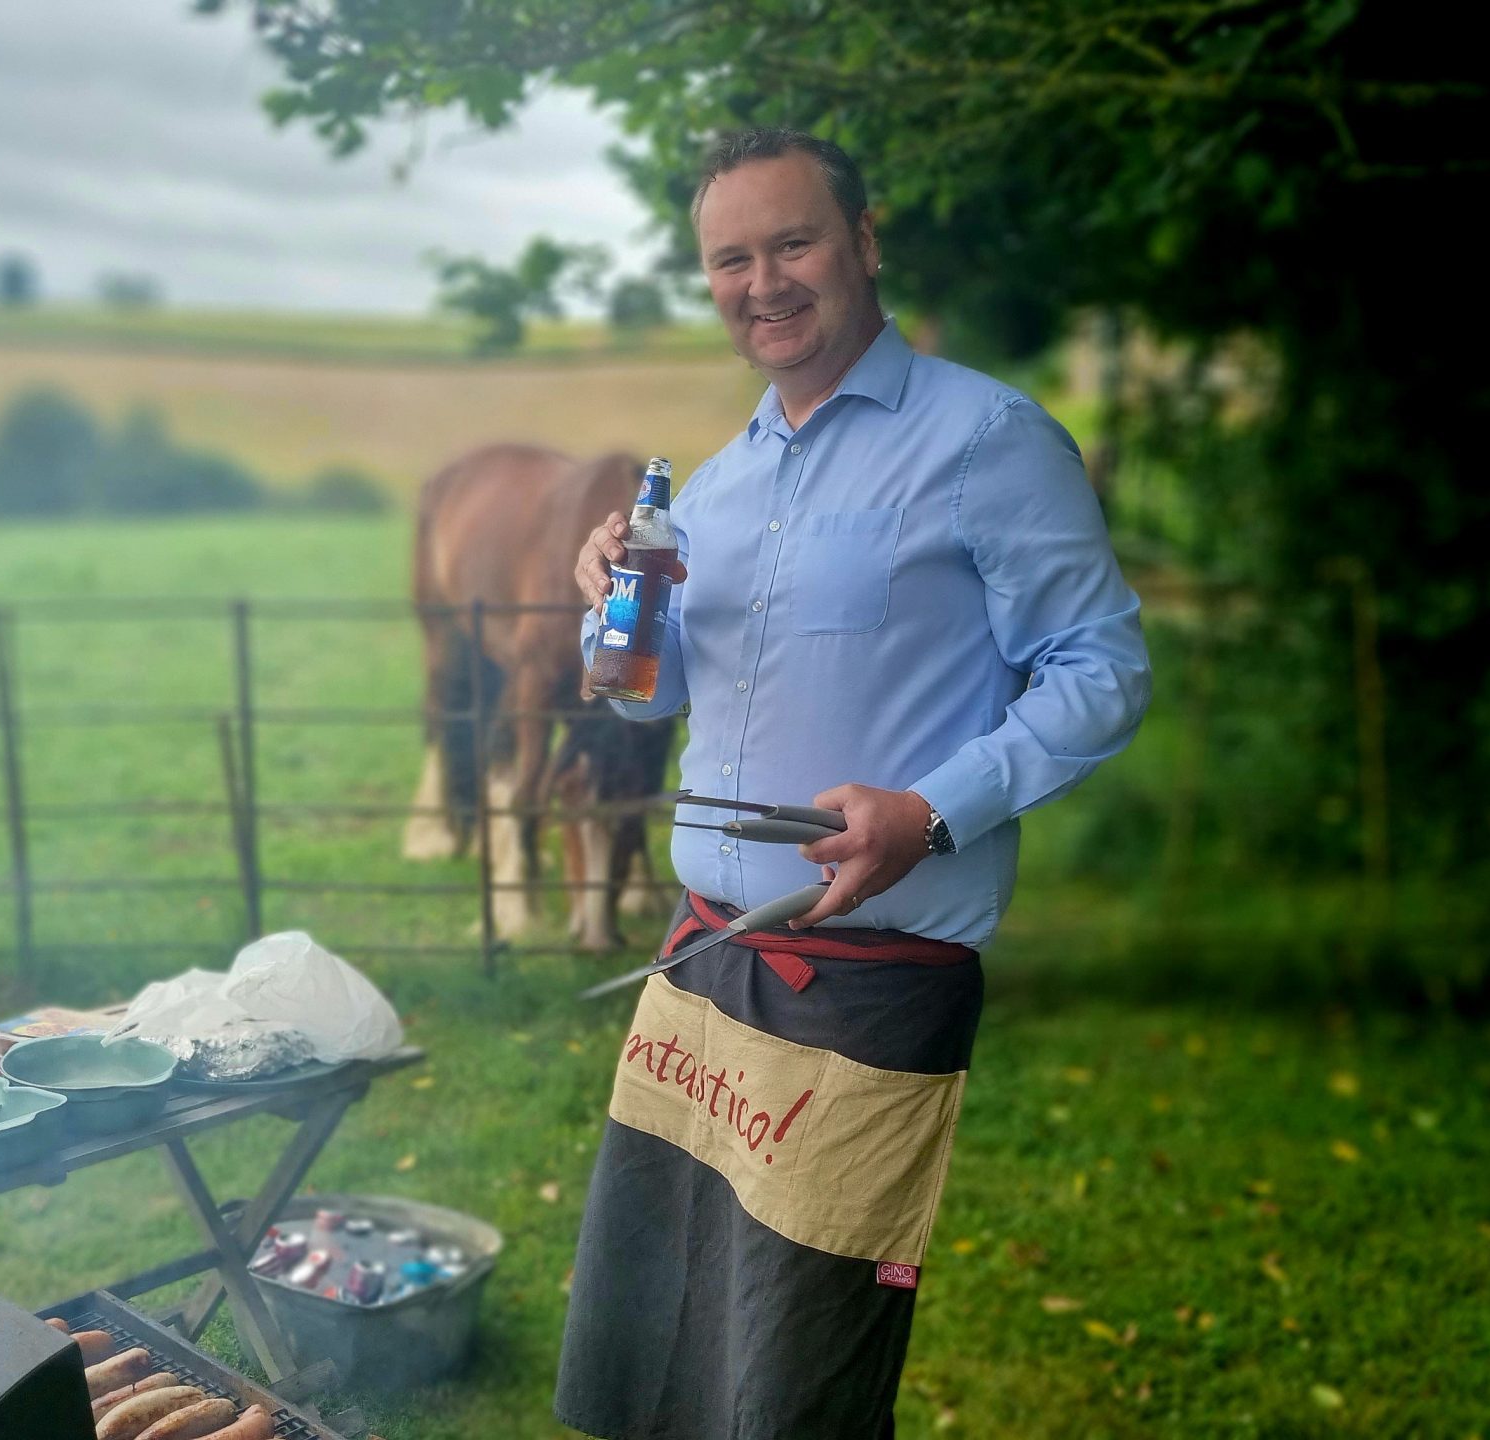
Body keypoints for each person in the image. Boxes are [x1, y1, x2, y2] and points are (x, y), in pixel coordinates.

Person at [554, 128, 1152, 1439]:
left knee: (796, 1376)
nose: (762, 279)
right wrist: (610, 623)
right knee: (656, 1335)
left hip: (868, 986)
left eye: (793, 242)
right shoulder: (716, 485)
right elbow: (657, 695)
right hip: (704, 966)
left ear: (865, 242)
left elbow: (1102, 670)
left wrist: (931, 810)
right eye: (730, 258)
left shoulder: (986, 438)